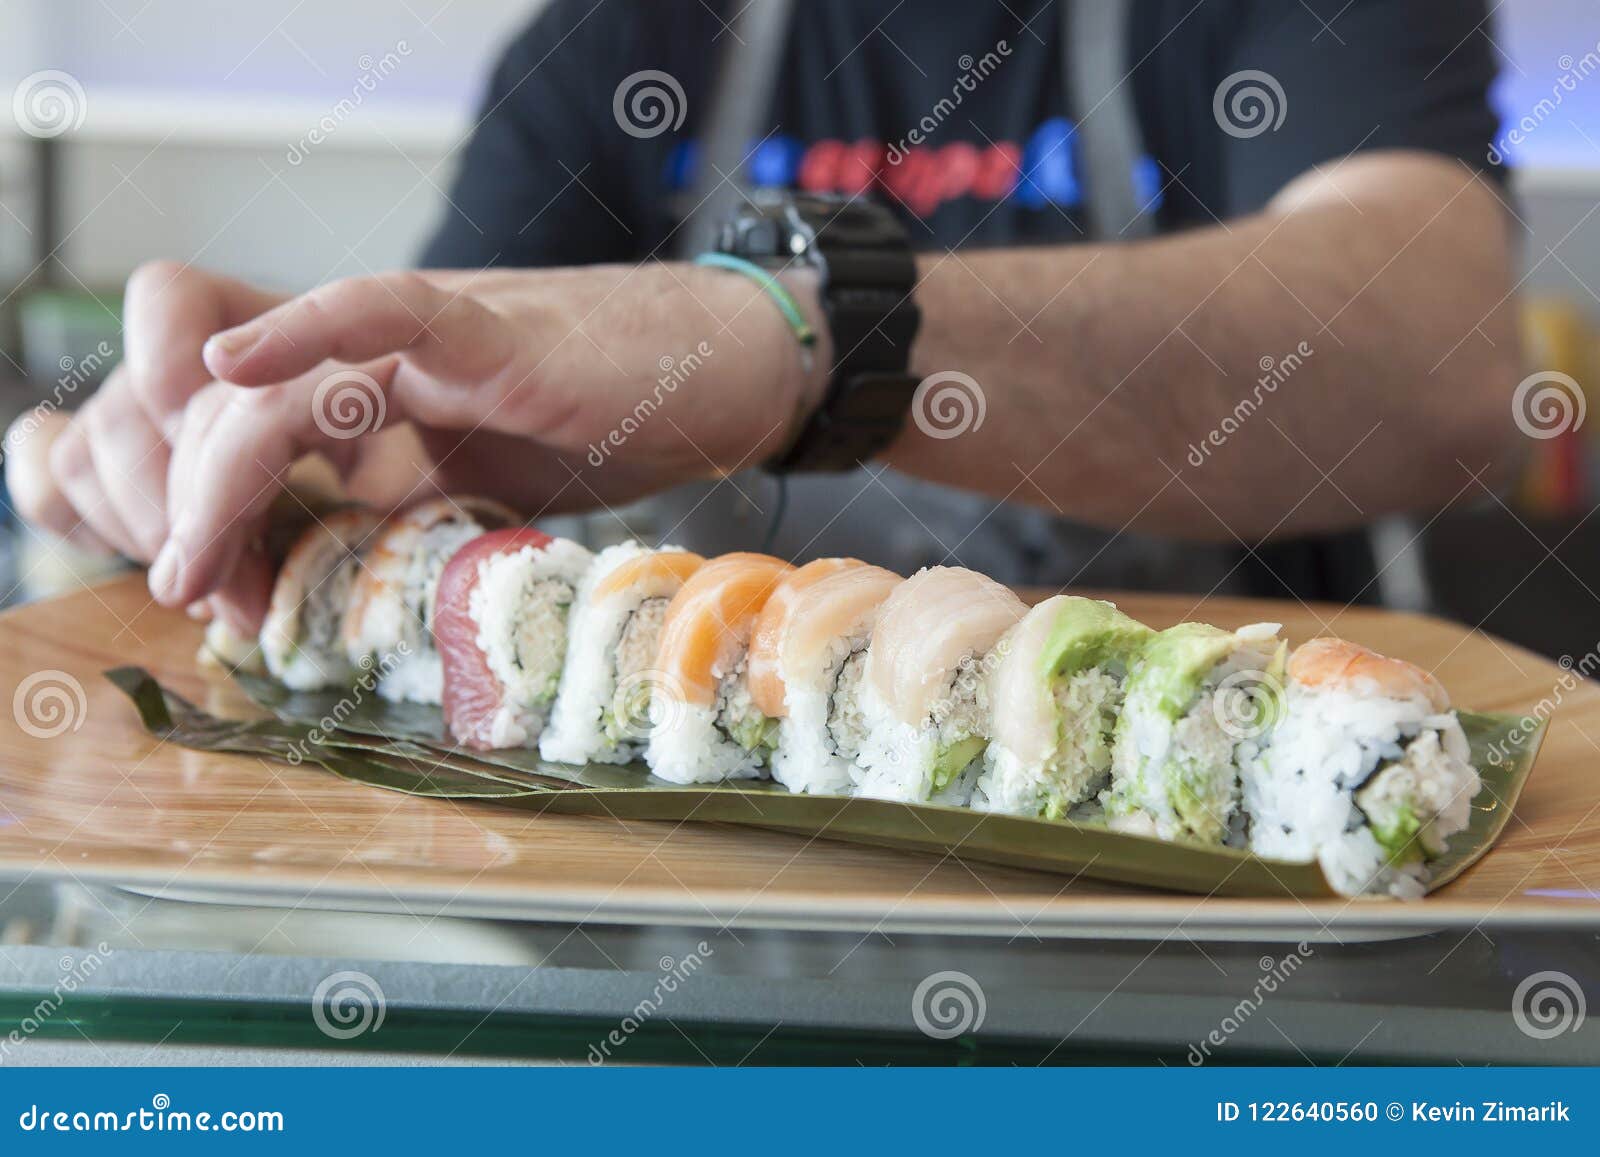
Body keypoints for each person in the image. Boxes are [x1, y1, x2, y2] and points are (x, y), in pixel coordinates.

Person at [5, 0, 1519, 634]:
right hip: (699, 935)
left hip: (1223, 938)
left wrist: (787, 338)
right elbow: (422, 450)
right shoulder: (626, 39)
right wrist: (283, 463)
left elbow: (1443, 354)